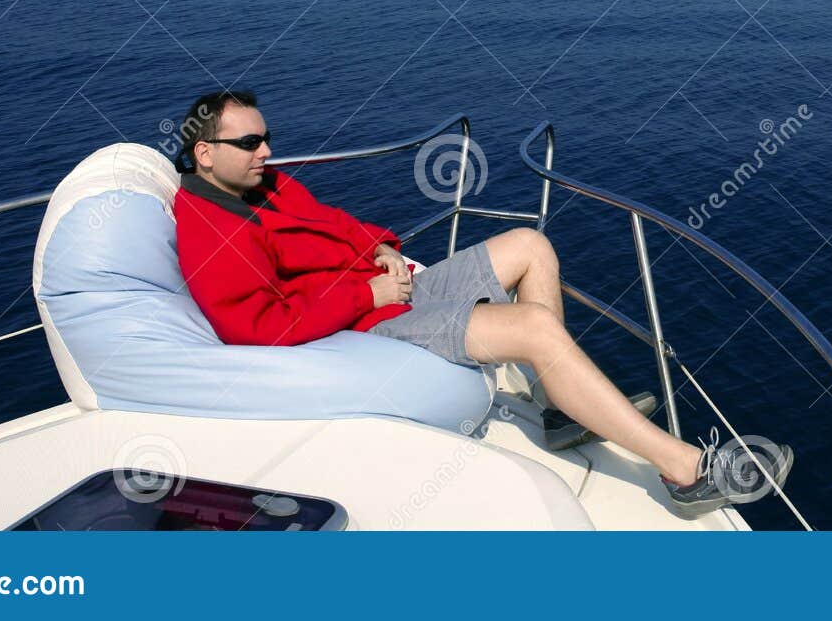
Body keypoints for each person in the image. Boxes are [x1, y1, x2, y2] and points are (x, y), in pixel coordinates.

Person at [170, 89, 793, 517]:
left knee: (530, 244)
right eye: (250, 143)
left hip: (387, 290)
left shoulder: (267, 186)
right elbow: (259, 326)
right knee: (535, 330)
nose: (267, 152)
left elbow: (336, 222)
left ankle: (556, 411)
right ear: (204, 153)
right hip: (363, 324)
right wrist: (364, 291)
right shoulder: (208, 227)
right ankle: (683, 470)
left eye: (266, 138)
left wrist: (382, 249)